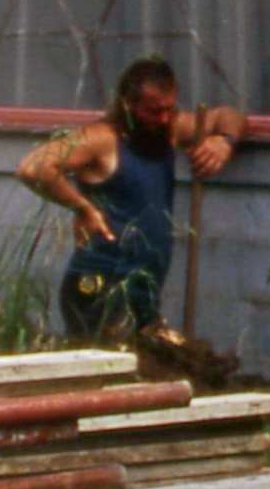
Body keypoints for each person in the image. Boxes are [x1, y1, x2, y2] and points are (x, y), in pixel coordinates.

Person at [20, 56, 241, 339]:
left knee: (150, 370)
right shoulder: (100, 139)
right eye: (153, 111)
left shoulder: (169, 130)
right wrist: (82, 208)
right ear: (128, 104)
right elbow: (32, 167)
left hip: (144, 286)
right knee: (105, 372)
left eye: (169, 109)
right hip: (99, 283)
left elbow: (231, 117)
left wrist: (225, 142)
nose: (163, 118)